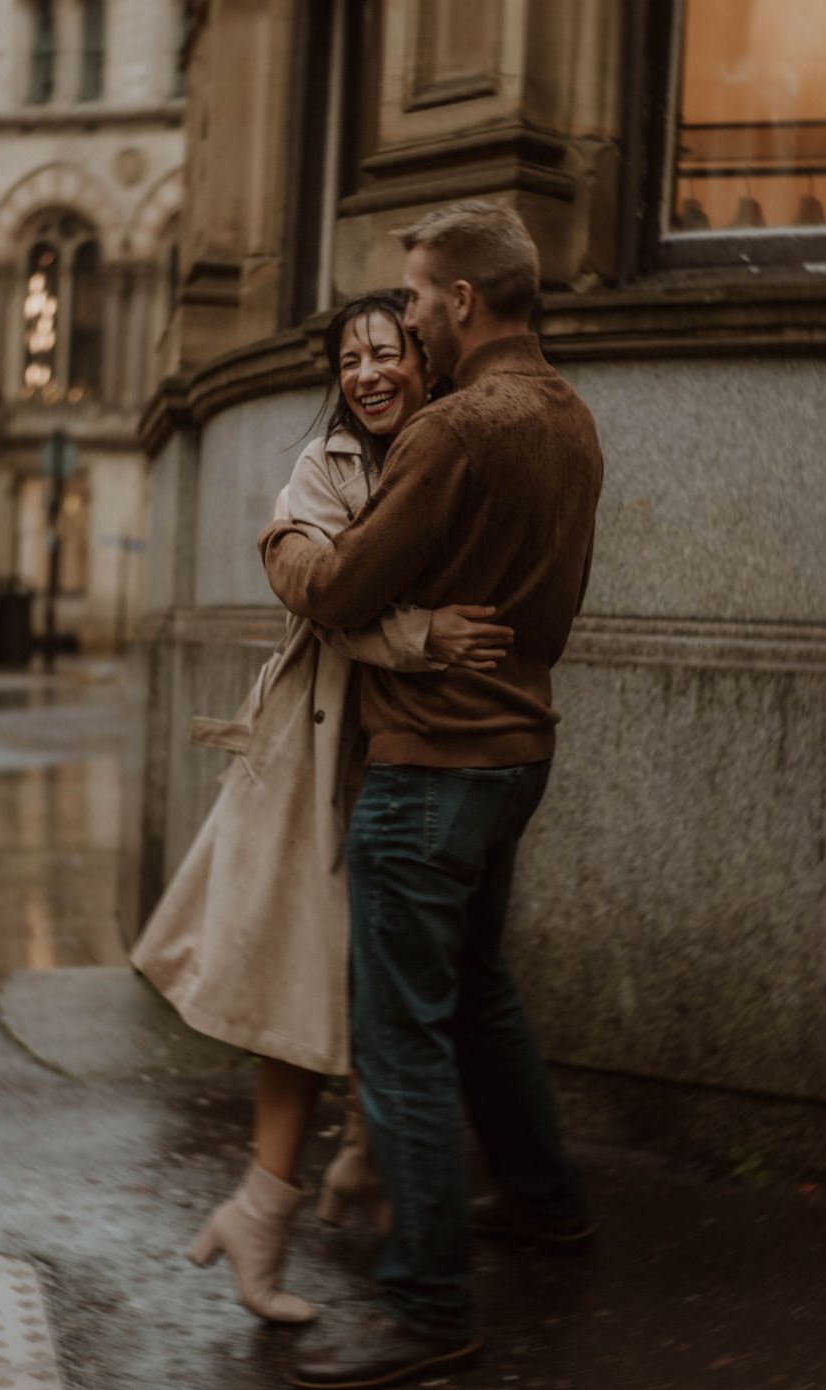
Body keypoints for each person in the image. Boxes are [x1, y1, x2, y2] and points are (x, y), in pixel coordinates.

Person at [259, 200, 604, 1390]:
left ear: (461, 301)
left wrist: (282, 548)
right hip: (518, 755)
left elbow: (345, 586)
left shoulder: (454, 432)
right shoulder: (571, 417)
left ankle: (428, 1304)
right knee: (476, 990)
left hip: (429, 767)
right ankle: (547, 1201)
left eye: (412, 300)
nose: (403, 321)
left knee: (400, 1030)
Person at [131, 289, 511, 1324]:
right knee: (298, 990)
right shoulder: (324, 466)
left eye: (387, 352)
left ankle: (349, 1175)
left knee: (388, 983)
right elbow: (328, 602)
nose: (368, 373)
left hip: (414, 757)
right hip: (314, 756)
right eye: (350, 360)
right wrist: (420, 634)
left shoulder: (448, 455)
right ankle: (266, 1212)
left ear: (426, 363)